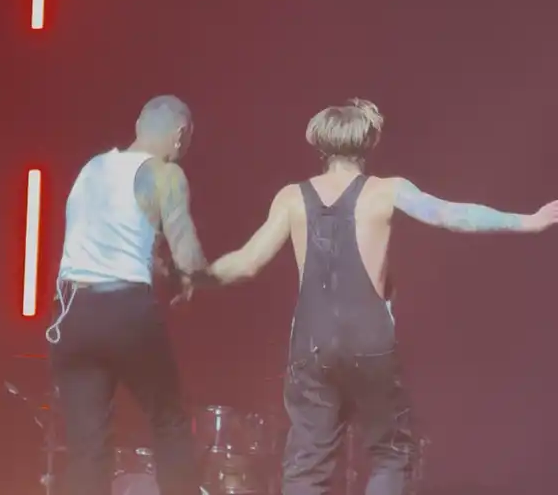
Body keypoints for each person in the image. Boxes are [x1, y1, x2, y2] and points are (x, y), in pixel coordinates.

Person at [191, 99, 558, 495]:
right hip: (369, 339)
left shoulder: (291, 198)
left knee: (306, 465)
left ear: (320, 142)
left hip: (312, 342)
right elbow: (452, 215)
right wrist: (528, 221)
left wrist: (195, 278)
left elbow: (247, 262)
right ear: (369, 141)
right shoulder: (387, 191)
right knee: (390, 454)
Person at [46, 95, 207, 495]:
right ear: (180, 134)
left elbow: (112, 241)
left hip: (72, 314)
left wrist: (159, 266)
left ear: (138, 124)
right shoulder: (164, 174)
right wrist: (194, 281)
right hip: (125, 312)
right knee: (169, 422)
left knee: (87, 448)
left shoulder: (92, 168)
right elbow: (187, 254)